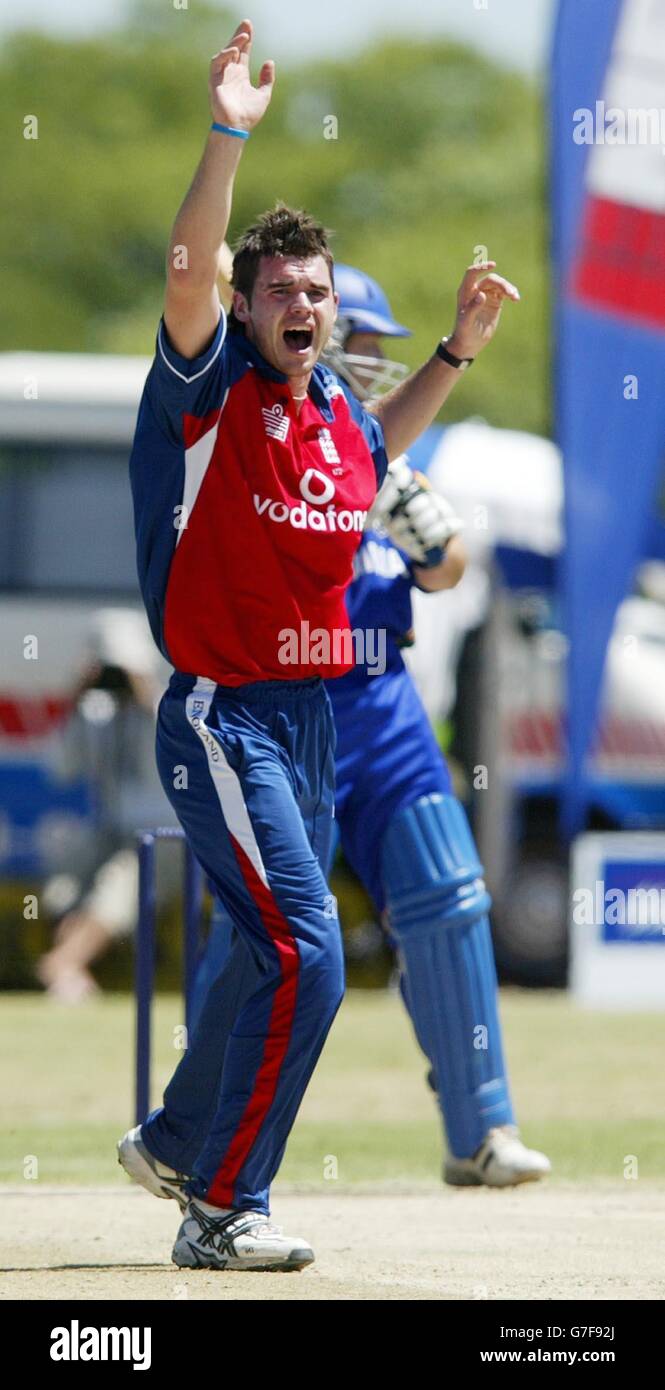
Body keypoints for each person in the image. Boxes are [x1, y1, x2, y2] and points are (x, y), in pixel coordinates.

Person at [117, 18, 520, 1273]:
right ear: (243, 308)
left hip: (314, 721)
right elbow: (189, 265)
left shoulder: (334, 407)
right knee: (308, 949)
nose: (304, 304)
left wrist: (451, 354)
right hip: (222, 710)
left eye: (316, 290)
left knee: (270, 948)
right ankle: (223, 1202)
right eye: (280, 292)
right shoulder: (210, 391)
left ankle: (182, 1138)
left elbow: (379, 447)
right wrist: (228, 130)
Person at [134, 267, 550, 1196]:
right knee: (267, 935)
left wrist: (421, 527)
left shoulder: (377, 451)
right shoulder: (266, 435)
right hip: (285, 710)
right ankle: (189, 1140)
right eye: (361, 344)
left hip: (381, 699)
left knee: (448, 898)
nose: (367, 362)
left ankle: (481, 1126)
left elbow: (447, 569)